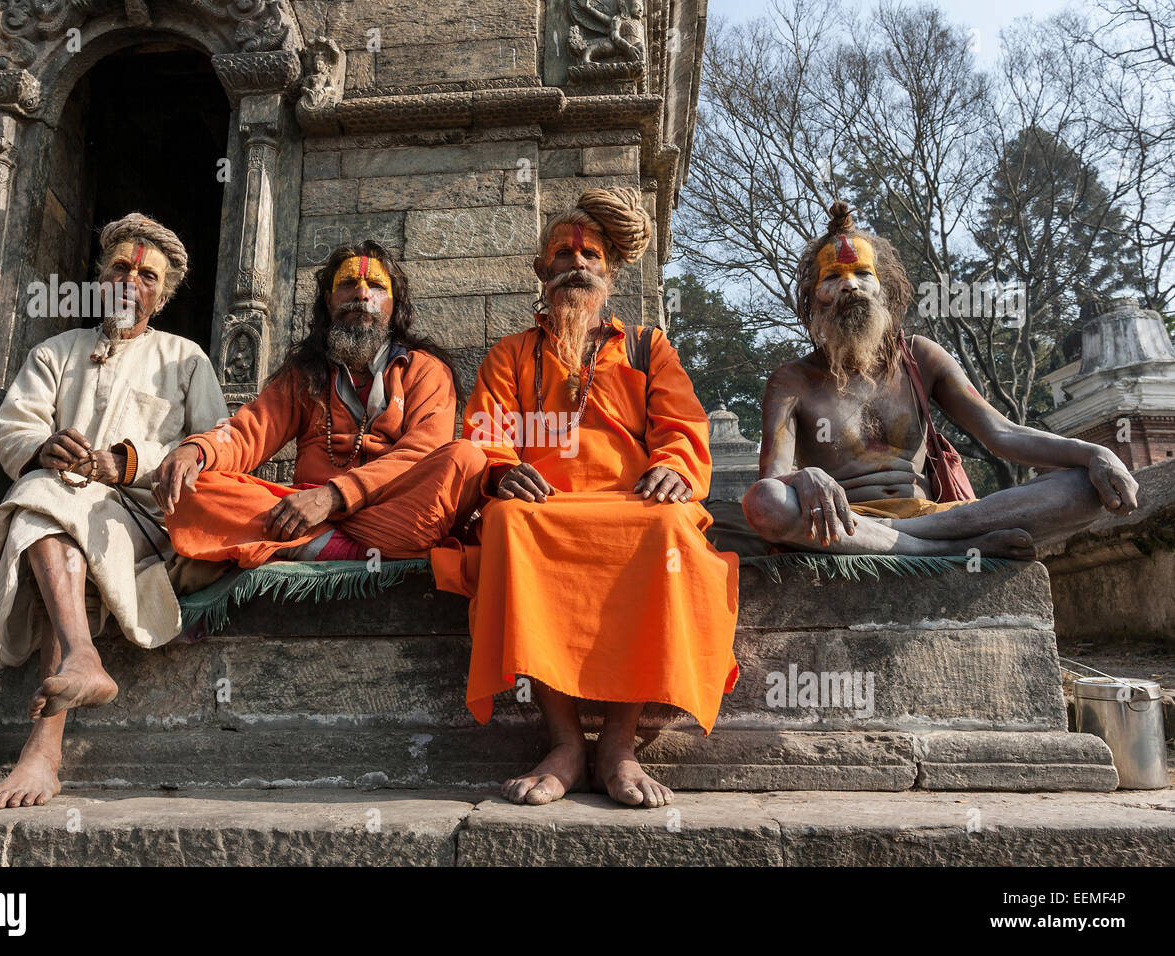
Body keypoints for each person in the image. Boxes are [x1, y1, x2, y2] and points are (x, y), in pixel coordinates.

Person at [433, 187, 740, 809]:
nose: (577, 262)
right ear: (543, 271)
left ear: (610, 272)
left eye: (591, 254)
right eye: (564, 254)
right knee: (509, 523)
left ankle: (619, 743)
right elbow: (484, 437)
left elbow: (684, 429)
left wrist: (675, 467)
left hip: (633, 505)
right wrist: (499, 474)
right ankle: (566, 741)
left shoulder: (648, 349)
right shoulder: (512, 353)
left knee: (667, 530)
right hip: (544, 509)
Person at [0, 212, 227, 810]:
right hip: (61, 506)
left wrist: (126, 463)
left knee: (39, 507)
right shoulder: (55, 353)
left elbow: (213, 449)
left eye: (148, 276)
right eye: (121, 269)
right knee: (44, 501)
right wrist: (40, 448)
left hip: (145, 517)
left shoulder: (186, 359)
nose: (133, 282)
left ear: (163, 293)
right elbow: (16, 429)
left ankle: (49, 737)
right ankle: (69, 685)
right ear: (99, 278)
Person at [741, 201, 1139, 557]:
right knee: (766, 502)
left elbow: (1002, 434)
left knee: (1083, 489)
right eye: (833, 278)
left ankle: (909, 541)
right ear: (814, 296)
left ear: (884, 287)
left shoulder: (920, 355)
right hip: (846, 522)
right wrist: (806, 476)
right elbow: (773, 481)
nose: (849, 285)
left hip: (925, 518)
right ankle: (947, 550)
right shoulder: (790, 380)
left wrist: (1094, 454)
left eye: (863, 272)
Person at [157, 241, 485, 564]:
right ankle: (346, 549)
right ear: (329, 301)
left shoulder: (424, 369)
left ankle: (310, 543)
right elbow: (248, 433)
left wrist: (331, 497)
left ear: (393, 304)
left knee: (466, 459)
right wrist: (197, 451)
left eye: (375, 286)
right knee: (194, 486)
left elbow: (423, 453)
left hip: (391, 508)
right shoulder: (305, 374)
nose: (361, 294)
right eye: (347, 285)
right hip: (310, 512)